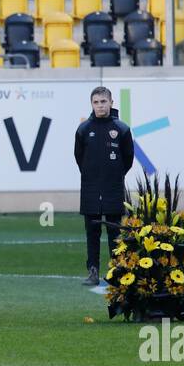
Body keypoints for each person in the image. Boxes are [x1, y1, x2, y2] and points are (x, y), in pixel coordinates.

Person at [74, 86, 135, 285]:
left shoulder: (122, 129)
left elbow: (128, 159)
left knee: (115, 233)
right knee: (92, 232)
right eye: (96, 102)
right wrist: (92, 176)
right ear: (92, 104)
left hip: (113, 188)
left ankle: (116, 272)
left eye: (103, 102)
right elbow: (79, 157)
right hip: (90, 188)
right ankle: (92, 272)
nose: (100, 106)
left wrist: (114, 176)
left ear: (111, 103)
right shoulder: (83, 129)